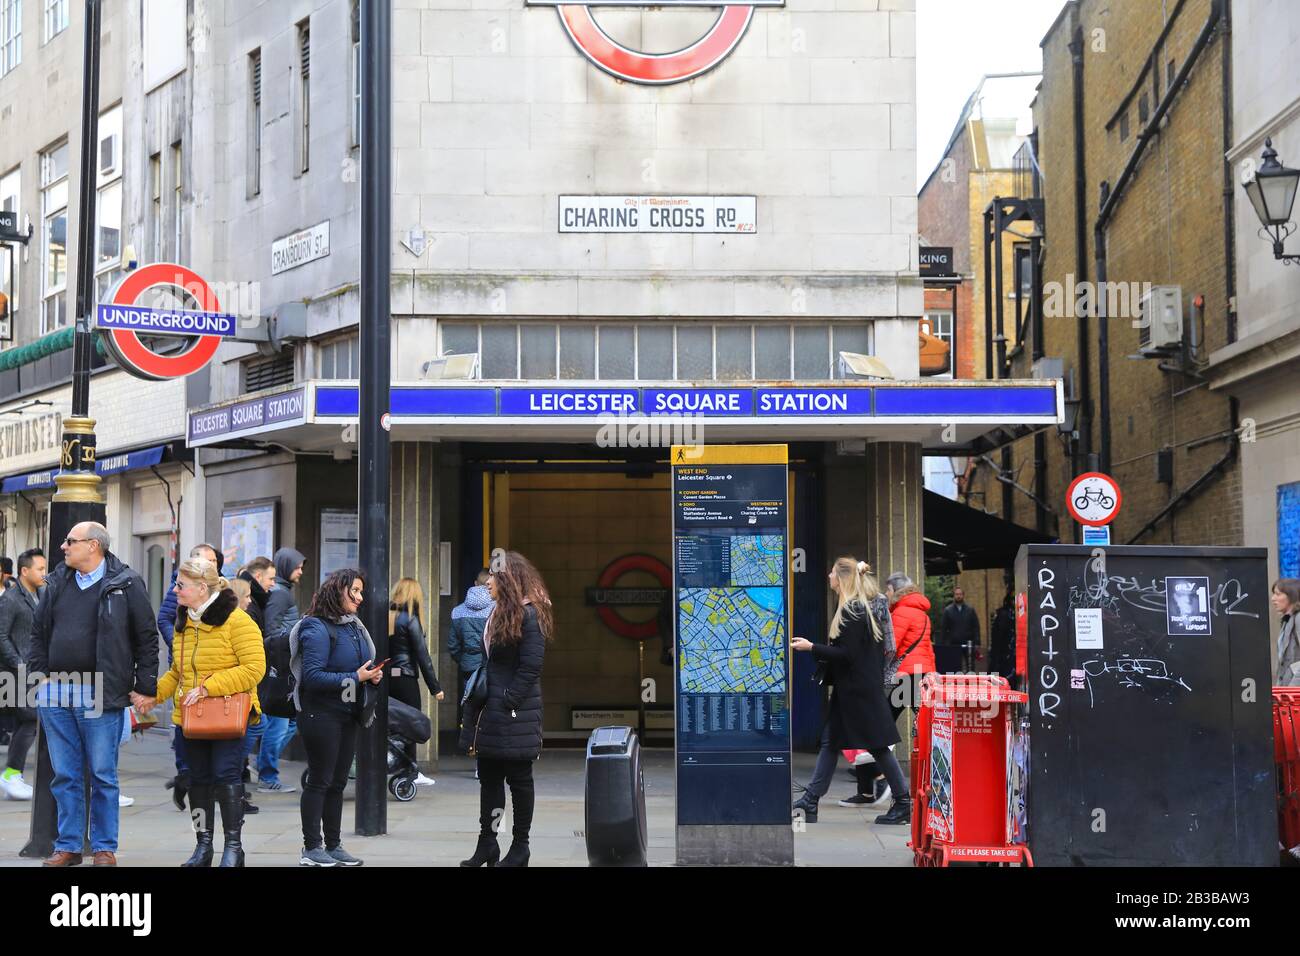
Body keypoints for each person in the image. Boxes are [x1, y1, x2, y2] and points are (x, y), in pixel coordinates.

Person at [28, 522, 159, 867]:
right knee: (65, 774)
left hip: (100, 692)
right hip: (56, 692)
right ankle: (68, 846)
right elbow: (38, 633)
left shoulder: (126, 583)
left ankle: (103, 848)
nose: (63, 547)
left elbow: (146, 638)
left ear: (94, 546)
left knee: (102, 773)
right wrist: (39, 677)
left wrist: (145, 686)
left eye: (71, 541)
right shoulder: (56, 582)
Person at [135, 558, 265, 867]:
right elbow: (178, 674)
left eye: (181, 585)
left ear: (202, 588)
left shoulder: (237, 621)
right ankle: (203, 845)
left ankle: (233, 847)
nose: (175, 590)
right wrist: (152, 696)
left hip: (227, 715)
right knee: (196, 780)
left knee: (226, 777)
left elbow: (255, 668)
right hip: (190, 719)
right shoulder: (184, 622)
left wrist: (209, 687)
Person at [791, 557, 911, 826]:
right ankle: (811, 800)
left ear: (842, 578)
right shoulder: (857, 608)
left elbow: (848, 654)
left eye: (832, 573)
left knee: (878, 746)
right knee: (831, 742)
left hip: (857, 691)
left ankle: (904, 802)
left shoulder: (853, 611)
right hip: (855, 689)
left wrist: (812, 647)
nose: (829, 577)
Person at [459, 552, 552, 868]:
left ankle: (520, 846)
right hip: (493, 713)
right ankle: (488, 841)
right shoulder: (499, 613)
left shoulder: (529, 616)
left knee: (519, 780)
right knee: (489, 780)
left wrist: (509, 700)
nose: (488, 584)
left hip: (515, 714)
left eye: (494, 578)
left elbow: (531, 667)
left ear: (509, 581)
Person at [289, 568, 379, 867]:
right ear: (338, 590)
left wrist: (369, 678)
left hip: (348, 713)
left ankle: (334, 845)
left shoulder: (353, 625)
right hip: (321, 714)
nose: (360, 597)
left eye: (361, 591)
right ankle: (311, 848)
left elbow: (356, 667)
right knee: (320, 780)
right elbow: (313, 677)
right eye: (355, 590)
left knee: (338, 782)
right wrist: (356, 676)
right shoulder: (315, 627)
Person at [157, 542, 223, 811]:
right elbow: (163, 619)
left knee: (222, 768)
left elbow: (252, 666)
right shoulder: (180, 594)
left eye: (210, 561)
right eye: (199, 559)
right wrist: (181, 646)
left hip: (221, 692)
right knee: (189, 740)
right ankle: (187, 778)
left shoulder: (228, 602)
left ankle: (231, 840)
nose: (204, 564)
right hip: (187, 682)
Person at [258, 547, 306, 794]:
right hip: (280, 664)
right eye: (297, 567)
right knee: (279, 724)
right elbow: (272, 630)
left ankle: (263, 768)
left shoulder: (282, 591)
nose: (300, 572)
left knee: (284, 723)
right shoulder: (281, 594)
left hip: (281, 662)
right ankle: (267, 774)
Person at [389, 577, 444, 786]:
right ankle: (411, 771)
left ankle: (393, 763)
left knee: (390, 723)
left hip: (385, 678)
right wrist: (435, 688)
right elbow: (423, 656)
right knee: (410, 722)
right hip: (405, 678)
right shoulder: (410, 619)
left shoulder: (386, 617)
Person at [0, 549, 46, 799]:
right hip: (14, 673)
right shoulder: (11, 599)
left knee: (24, 721)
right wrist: (18, 664)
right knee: (30, 719)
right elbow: (1, 635)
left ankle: (12, 777)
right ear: (24, 571)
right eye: (39, 569)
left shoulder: (40, 594)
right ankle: (10, 775)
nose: (43, 573)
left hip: (32, 670)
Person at [884, 572, 936, 720]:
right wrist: (932, 672)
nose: (886, 593)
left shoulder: (901, 612)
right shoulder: (923, 616)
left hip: (906, 674)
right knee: (924, 718)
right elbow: (928, 649)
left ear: (895, 591)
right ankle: (932, 742)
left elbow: (891, 646)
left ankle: (883, 744)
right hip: (921, 673)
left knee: (887, 718)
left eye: (888, 590)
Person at [449, 569, 492, 707]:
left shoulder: (457, 611)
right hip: (492, 667)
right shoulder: (498, 609)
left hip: (469, 667)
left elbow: (453, 646)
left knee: (471, 707)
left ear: (475, 583)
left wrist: (464, 659)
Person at [939, 585, 980, 668]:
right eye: (957, 594)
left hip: (968, 642)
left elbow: (976, 627)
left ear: (963, 595)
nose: (958, 596)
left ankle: (970, 680)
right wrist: (943, 645)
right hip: (953, 643)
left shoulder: (970, 610)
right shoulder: (948, 610)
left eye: (960, 594)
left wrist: (977, 642)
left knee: (970, 666)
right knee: (954, 666)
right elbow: (943, 628)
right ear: (954, 596)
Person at [1273, 579, 1300, 687]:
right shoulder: (1287, 620)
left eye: (1278, 594)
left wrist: (1292, 688)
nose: (1273, 598)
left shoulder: (1298, 618)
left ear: (1292, 595)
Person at [989, 591, 1016, 681]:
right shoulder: (1003, 614)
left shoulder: (1016, 613)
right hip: (1004, 650)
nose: (1014, 601)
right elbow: (998, 635)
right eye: (1013, 599)